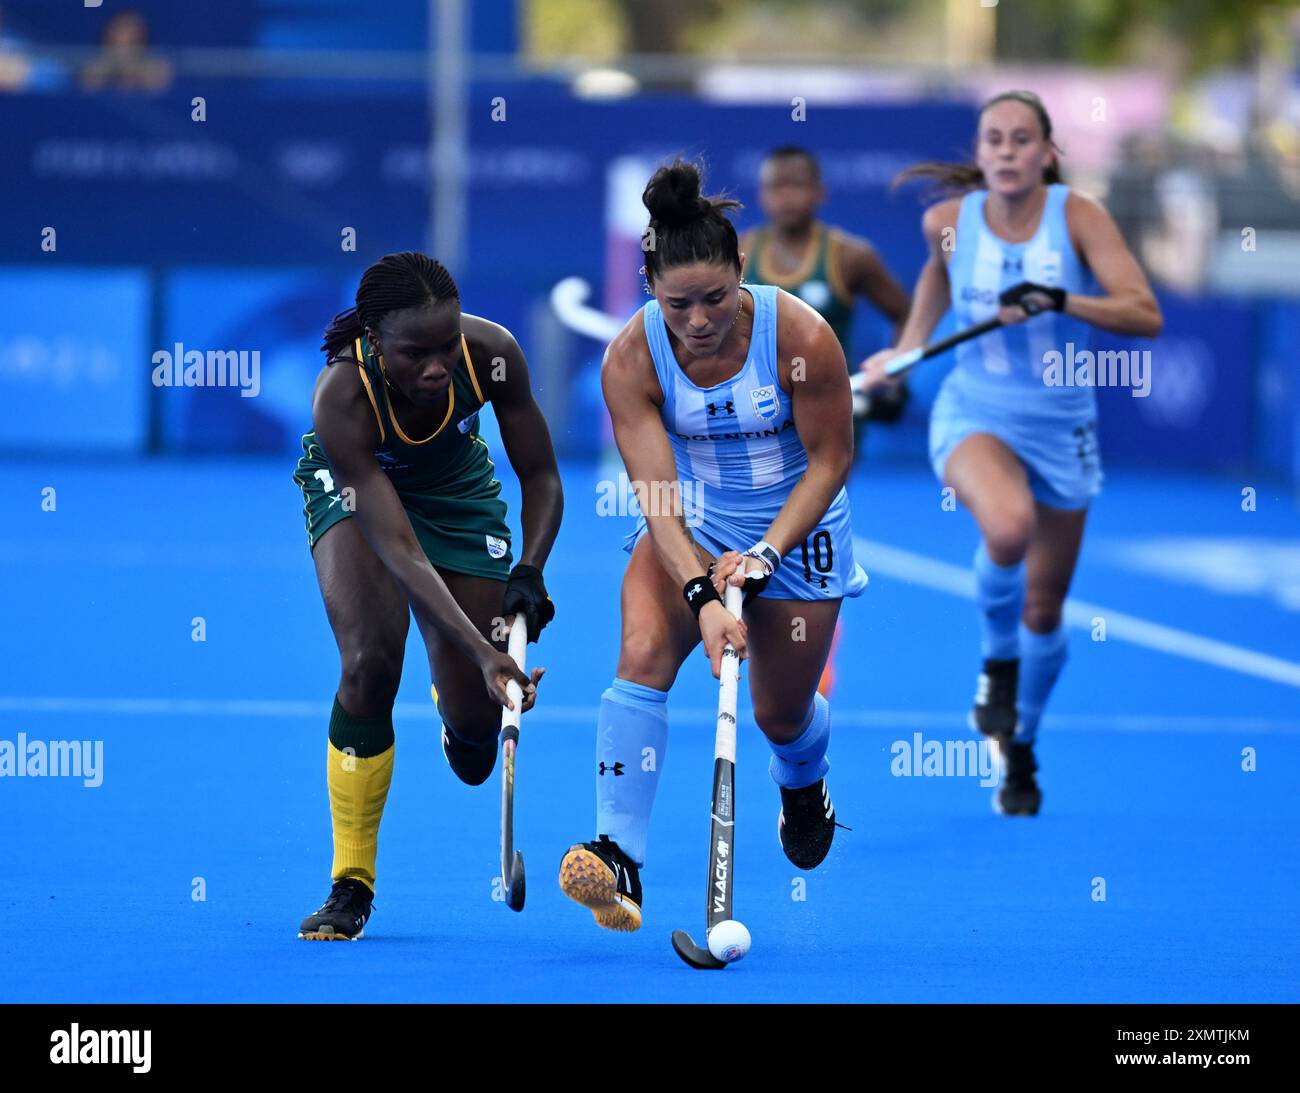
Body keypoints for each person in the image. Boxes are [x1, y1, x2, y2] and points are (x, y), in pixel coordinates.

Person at [558, 162, 867, 933]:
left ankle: (803, 779)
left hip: (799, 522)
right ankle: (619, 855)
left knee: (781, 713)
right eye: (678, 303)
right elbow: (656, 497)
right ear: (650, 287)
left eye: (716, 299)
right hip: (688, 518)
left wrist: (764, 554)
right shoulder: (630, 359)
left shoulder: (801, 336)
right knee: (640, 649)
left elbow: (831, 459)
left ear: (741, 273)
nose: (698, 320)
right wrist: (701, 590)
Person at [860, 91, 1162, 815]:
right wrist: (903, 354)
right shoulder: (949, 223)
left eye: (1021, 139)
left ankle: (1021, 741)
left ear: (1046, 153)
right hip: (976, 413)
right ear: (980, 150)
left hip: (1063, 426)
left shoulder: (1080, 218)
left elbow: (1143, 313)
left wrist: (1059, 300)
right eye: (992, 139)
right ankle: (996, 667)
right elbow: (938, 276)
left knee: (1045, 609)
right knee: (1007, 527)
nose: (1004, 151)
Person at [293, 252, 563, 939]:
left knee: (477, 740)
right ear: (375, 341)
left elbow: (542, 476)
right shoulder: (341, 396)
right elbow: (399, 551)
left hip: (455, 490)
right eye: (417, 352)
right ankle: (350, 883)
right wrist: (482, 649)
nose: (439, 365)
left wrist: (528, 572)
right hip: (358, 495)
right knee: (368, 661)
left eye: (447, 345)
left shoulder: (492, 354)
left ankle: (458, 713)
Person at [740, 145, 911, 698]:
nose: (787, 197)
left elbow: (906, 315)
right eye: (775, 187)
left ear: (819, 193)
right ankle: (761, 638)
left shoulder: (849, 257)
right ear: (763, 196)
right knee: (754, 538)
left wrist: (896, 374)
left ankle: (815, 654)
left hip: (825, 425)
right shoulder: (740, 255)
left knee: (812, 535)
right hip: (754, 428)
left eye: (797, 186)